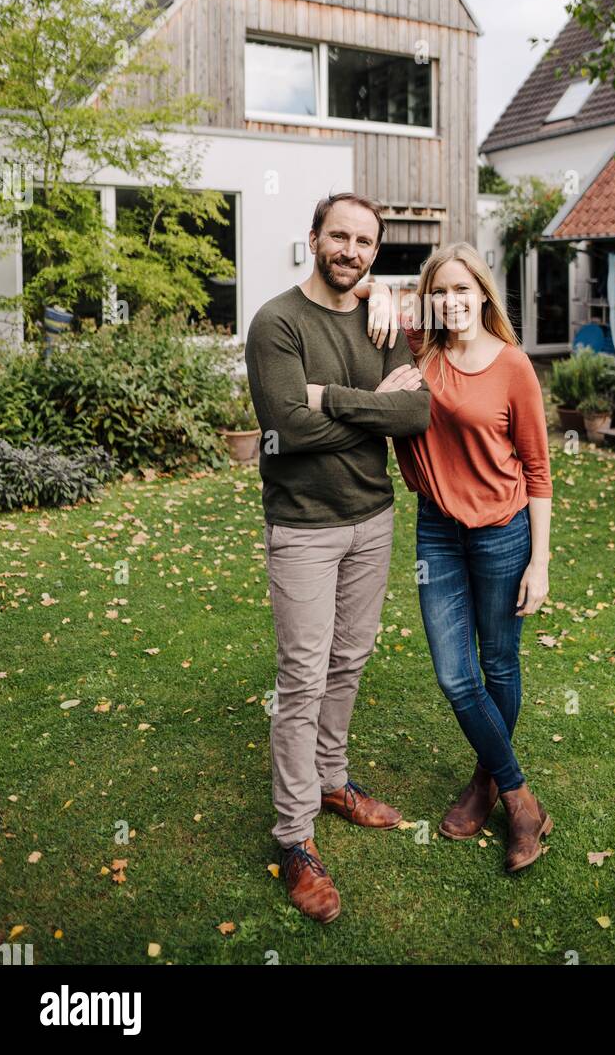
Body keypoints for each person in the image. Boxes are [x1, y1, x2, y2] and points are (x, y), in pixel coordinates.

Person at [245, 193, 431, 922]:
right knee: (302, 675)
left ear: (374, 252)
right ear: (313, 237)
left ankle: (332, 780)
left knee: (349, 660)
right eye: (339, 236)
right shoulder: (276, 323)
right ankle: (294, 837)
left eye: (364, 241)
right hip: (303, 527)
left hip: (372, 521)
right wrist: (369, 408)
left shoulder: (381, 317)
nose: (351, 250)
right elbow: (284, 430)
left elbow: (414, 413)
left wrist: (333, 398)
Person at [353, 243, 554, 872]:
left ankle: (485, 782)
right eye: (440, 291)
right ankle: (520, 796)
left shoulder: (513, 365)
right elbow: (359, 287)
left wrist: (540, 562)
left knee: (498, 663)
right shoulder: (423, 348)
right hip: (437, 531)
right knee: (453, 674)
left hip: (502, 531)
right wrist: (383, 293)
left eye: (463, 291)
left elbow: (540, 470)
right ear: (430, 298)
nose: (451, 302)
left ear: (484, 295)